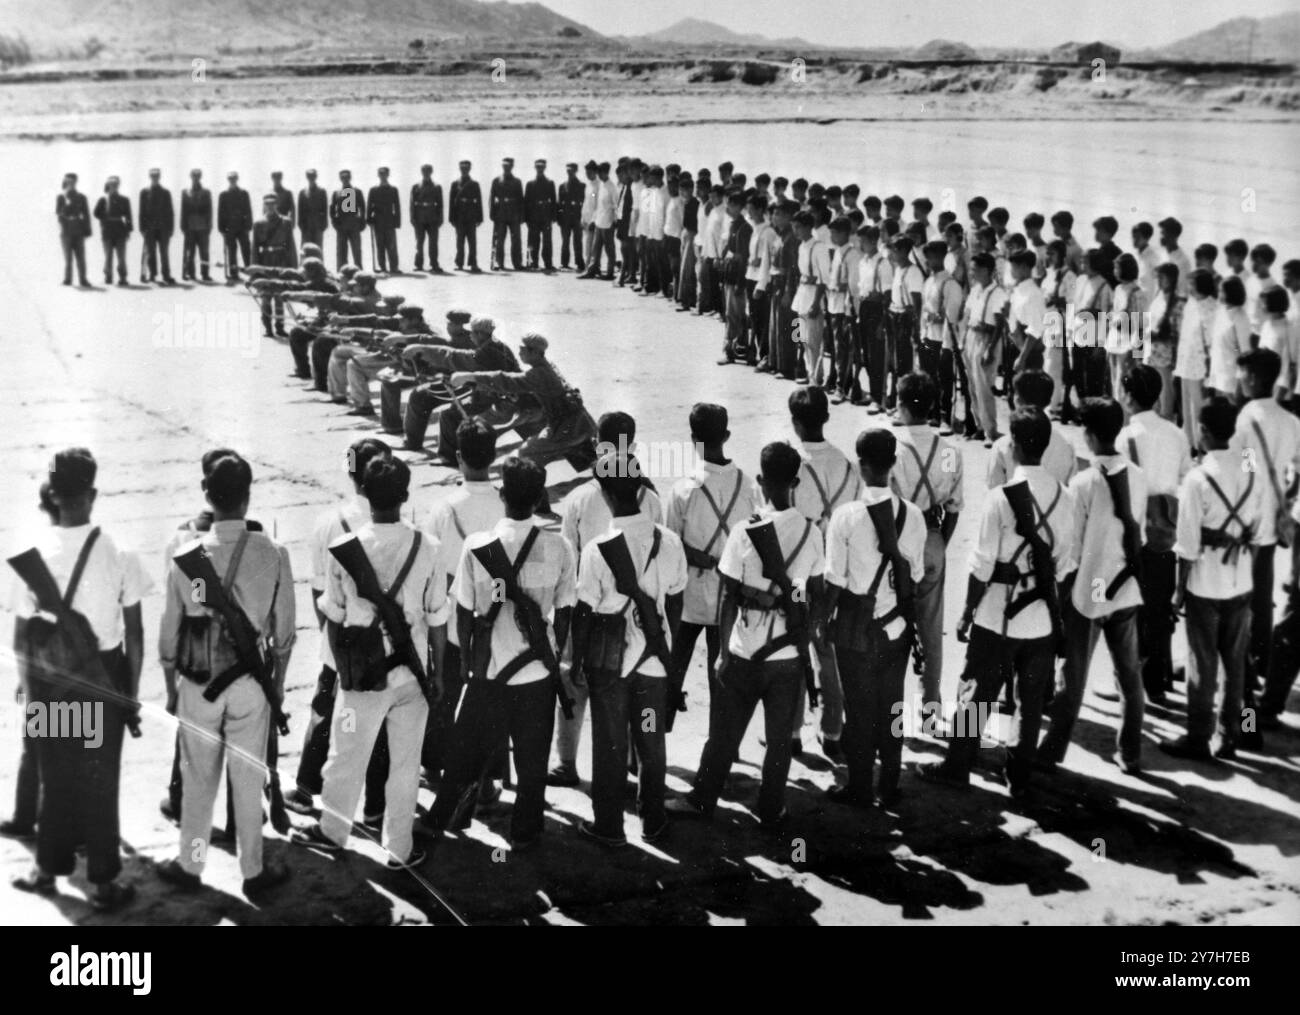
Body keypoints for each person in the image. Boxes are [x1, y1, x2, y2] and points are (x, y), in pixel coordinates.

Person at [7, 450, 148, 910]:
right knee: (100, 784)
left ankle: (47, 870)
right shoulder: (119, 552)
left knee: (55, 778)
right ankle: (104, 883)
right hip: (102, 678)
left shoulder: (36, 554)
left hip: (50, 685)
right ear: (92, 493)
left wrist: (31, 698)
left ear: (53, 494)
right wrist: (130, 692)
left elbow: (22, 639)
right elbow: (135, 633)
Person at [291, 457, 445, 869]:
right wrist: (438, 674)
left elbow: (332, 615)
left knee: (345, 758)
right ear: (406, 496)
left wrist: (344, 669)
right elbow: (437, 620)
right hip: (412, 677)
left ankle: (333, 831)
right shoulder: (427, 547)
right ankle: (400, 848)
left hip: (363, 677)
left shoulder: (345, 550)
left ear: (364, 493)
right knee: (405, 766)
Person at [156, 453, 294, 900]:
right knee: (247, 780)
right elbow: (284, 636)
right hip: (251, 687)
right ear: (248, 496)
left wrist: (170, 692)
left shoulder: (184, 556)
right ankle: (252, 871)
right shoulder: (273, 553)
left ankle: (190, 864)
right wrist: (276, 685)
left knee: (198, 781)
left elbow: (169, 637)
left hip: (197, 684)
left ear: (206, 495)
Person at [918, 408, 1075, 798]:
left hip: (997, 615)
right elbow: (1065, 563)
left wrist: (967, 613)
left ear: (1015, 448)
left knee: (976, 693)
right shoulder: (1065, 497)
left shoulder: (1000, 498)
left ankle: (958, 765)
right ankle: (1019, 774)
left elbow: (981, 566)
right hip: (1040, 619)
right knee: (1031, 700)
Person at [669, 442, 825, 831]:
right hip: (787, 653)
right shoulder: (811, 533)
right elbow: (814, 594)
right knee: (777, 742)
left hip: (744, 648)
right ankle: (771, 807)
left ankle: (703, 798)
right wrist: (795, 617)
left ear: (760, 481)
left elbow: (728, 598)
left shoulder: (744, 531)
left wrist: (722, 651)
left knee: (722, 736)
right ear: (796, 481)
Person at [424, 457, 576, 851]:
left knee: (464, 755)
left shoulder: (479, 546)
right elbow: (565, 610)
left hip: (488, 672)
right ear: (541, 496)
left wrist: (465, 659)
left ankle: (444, 819)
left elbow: (462, 609)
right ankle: (525, 833)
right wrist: (553, 652)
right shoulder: (557, 546)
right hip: (536, 674)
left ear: (503, 494)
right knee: (531, 761)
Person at [570, 457, 687, 847]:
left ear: (604, 494)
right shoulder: (668, 542)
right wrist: (661, 642)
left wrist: (580, 662)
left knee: (610, 743)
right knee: (651, 742)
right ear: (640, 489)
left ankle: (609, 825)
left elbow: (584, 612)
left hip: (610, 667)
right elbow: (674, 603)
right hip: (653, 667)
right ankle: (653, 821)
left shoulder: (596, 549)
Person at [549, 414, 663, 787]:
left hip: (590, 609)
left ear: (599, 444)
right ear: (631, 444)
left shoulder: (580, 498)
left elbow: (568, 559)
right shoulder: (650, 498)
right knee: (630, 683)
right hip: (637, 610)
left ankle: (567, 763)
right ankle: (632, 759)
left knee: (574, 680)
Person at [284, 438, 394, 823]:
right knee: (380, 722)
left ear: (352, 474)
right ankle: (377, 807)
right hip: (385, 643)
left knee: (326, 707)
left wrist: (330, 637)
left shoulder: (328, 522)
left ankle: (305, 788)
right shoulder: (397, 517)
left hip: (341, 637)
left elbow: (318, 589)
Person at [1038, 397, 1149, 773]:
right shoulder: (1137, 474)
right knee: (1130, 675)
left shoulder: (1082, 483)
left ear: (1088, 433)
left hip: (1090, 591)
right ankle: (1130, 753)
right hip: (1125, 587)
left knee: (1072, 678)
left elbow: (1072, 547)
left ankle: (1052, 751)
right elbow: (1140, 534)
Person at [821, 429, 925, 808]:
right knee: (893, 705)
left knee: (860, 709)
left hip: (855, 629)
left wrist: (820, 623)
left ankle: (861, 786)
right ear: (894, 463)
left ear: (861, 466)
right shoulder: (912, 515)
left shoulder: (845, 517)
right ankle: (890, 783)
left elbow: (835, 580)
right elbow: (914, 575)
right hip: (896, 625)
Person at [1161, 397, 1262, 761]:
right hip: (1242, 579)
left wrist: (1177, 594)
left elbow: (1186, 547)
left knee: (1201, 664)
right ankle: (1231, 735)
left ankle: (1198, 737)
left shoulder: (1197, 478)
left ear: (1203, 432)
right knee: (1235, 665)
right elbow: (1259, 524)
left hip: (1205, 583)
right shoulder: (1251, 467)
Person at [664, 404, 761, 742]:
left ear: (692, 439)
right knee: (722, 669)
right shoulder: (749, 486)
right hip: (729, 596)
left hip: (689, 594)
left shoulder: (683, 489)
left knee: (672, 665)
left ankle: (657, 735)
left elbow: (671, 545)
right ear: (728, 436)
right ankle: (721, 745)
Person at [421, 419, 506, 778]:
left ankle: (434, 766)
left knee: (445, 691)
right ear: (494, 456)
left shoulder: (445, 508)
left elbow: (429, 563)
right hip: (496, 617)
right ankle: (488, 775)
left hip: (453, 616)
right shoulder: (506, 503)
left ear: (459, 457)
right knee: (492, 699)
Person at [1231, 348, 1300, 751]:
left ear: (1254, 377)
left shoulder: (1248, 417)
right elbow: (1294, 472)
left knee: (1235, 636)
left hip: (1247, 527)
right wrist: (1284, 498)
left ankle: (1246, 722)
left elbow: (1246, 471)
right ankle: (1252, 712)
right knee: (1262, 605)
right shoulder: (1291, 421)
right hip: (1274, 524)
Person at [787, 388, 861, 759]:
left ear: (796, 422)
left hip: (801, 574)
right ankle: (833, 728)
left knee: (794, 642)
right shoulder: (847, 465)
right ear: (826, 418)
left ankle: (790, 729)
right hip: (837, 572)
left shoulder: (792, 466)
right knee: (827, 647)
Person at [1117, 364, 1194, 705]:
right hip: (1167, 530)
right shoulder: (1176, 433)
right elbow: (1185, 479)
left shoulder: (1125, 436)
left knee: (1130, 609)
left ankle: (1130, 678)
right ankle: (1159, 680)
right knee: (1160, 608)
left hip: (1134, 532)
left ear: (1129, 396)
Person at [891, 373, 963, 718]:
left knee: (891, 623)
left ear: (901, 406)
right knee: (931, 627)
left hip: (897, 541)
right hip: (933, 537)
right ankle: (930, 706)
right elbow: (954, 506)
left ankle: (892, 707)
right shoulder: (949, 451)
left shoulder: (890, 446)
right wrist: (940, 542)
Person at [448, 333, 598, 481]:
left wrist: (470, 377)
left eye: (522, 349)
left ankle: (531, 491)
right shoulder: (548, 366)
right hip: (579, 422)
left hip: (565, 427)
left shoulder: (539, 374)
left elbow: (507, 380)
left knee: (525, 455)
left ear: (534, 352)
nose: (519, 352)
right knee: (590, 456)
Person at [0, 482, 59, 843]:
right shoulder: (99, 552)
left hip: (42, 673)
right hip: (81, 675)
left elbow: (20, 637)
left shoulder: (32, 559)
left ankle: (25, 818)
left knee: (34, 749)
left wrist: (24, 681)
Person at [400, 313, 520, 454]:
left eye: (473, 332)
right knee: (427, 398)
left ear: (481, 334)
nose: (470, 335)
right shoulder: (497, 345)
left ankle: (450, 456)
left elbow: (457, 357)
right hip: (487, 391)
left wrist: (423, 350)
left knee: (449, 415)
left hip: (494, 399)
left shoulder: (486, 352)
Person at [987, 370, 1078, 487]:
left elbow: (994, 490)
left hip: (1013, 505)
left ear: (1018, 400)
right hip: (1057, 502)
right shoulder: (1067, 444)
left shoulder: (1002, 446)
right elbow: (1071, 489)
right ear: (1049, 402)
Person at [962, 252, 1008, 446]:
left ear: (986, 270)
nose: (972, 273)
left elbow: (999, 323)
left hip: (986, 338)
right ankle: (980, 427)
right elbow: (968, 315)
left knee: (983, 387)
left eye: (976, 269)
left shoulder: (998, 292)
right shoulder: (975, 290)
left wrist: (990, 347)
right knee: (972, 385)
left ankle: (991, 431)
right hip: (971, 337)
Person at [919, 240, 965, 432]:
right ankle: (933, 413)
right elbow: (924, 309)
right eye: (927, 257)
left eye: (932, 257)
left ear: (941, 257)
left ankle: (946, 417)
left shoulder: (950, 283)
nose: (928, 261)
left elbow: (952, 316)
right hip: (929, 336)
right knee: (930, 377)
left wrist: (939, 318)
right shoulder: (929, 281)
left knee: (945, 379)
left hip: (944, 339)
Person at [1177, 268, 1217, 448]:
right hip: (1185, 361)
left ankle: (1202, 446)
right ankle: (1190, 445)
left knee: (1198, 408)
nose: (1188, 287)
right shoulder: (1191, 304)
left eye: (1192, 284)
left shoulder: (1212, 307)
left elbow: (1211, 340)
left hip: (1200, 366)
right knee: (1186, 407)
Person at [791, 210, 830, 385]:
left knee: (814, 341)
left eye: (798, 227)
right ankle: (809, 373)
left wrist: (816, 303)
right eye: (794, 227)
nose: (796, 231)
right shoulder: (801, 246)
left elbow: (824, 278)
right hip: (802, 296)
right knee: (802, 338)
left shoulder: (819, 246)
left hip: (814, 297)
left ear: (808, 227)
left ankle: (816, 377)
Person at [1144, 262, 1182, 420]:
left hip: (1165, 354)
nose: (1159, 281)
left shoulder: (1178, 302)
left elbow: (1177, 332)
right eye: (1158, 277)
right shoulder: (1157, 298)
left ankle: (1167, 421)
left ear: (1172, 279)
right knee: (1152, 391)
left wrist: (1160, 335)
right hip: (1151, 351)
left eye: (1163, 277)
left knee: (1166, 391)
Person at [1209, 275, 1252, 399]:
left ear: (1231, 292)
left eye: (1222, 291)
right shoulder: (1221, 312)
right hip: (1218, 374)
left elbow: (1245, 352)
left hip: (1232, 378)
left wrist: (1240, 382)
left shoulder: (1240, 317)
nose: (1219, 293)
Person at [93, 175, 132, 287]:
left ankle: (123, 277)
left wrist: (128, 231)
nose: (114, 187)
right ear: (108, 186)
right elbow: (95, 213)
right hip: (107, 231)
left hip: (120, 230)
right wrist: (104, 218)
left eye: (116, 185)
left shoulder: (124, 200)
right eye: (112, 185)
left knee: (121, 257)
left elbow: (128, 216)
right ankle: (108, 276)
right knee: (108, 255)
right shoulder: (103, 199)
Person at [139, 167, 176, 285]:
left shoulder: (166, 193)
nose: (154, 178)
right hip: (149, 228)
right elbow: (141, 212)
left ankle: (166, 275)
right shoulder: (144, 192)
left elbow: (170, 212)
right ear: (150, 177)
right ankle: (152, 274)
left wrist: (171, 229)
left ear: (159, 177)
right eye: (152, 176)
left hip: (163, 228)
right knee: (151, 252)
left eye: (156, 176)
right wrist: (141, 228)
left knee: (164, 252)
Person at [56, 172, 92, 287]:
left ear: (76, 182)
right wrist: (66, 206)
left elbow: (86, 214)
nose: (71, 184)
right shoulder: (61, 197)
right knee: (68, 257)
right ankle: (68, 279)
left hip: (78, 229)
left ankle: (83, 279)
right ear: (66, 182)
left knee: (81, 257)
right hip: (66, 230)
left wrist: (87, 230)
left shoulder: (81, 197)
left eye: (73, 182)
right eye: (69, 182)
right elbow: (58, 213)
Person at [522, 158, 557, 272]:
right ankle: (533, 262)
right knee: (533, 240)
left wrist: (553, 217)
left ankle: (548, 263)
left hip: (546, 215)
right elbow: (526, 202)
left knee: (547, 241)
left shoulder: (550, 183)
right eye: (538, 167)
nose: (540, 169)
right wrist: (526, 218)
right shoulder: (530, 184)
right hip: (533, 216)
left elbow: (553, 201)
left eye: (542, 167)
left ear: (545, 168)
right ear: (535, 168)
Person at [490, 157, 524, 271]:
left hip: (514, 213)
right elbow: (492, 198)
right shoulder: (496, 180)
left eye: (508, 166)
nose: (506, 168)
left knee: (516, 240)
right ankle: (499, 263)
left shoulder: (517, 182)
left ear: (512, 167)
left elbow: (521, 200)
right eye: (504, 166)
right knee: (499, 239)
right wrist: (492, 214)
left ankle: (517, 263)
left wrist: (521, 215)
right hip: (500, 213)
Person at [449, 160, 483, 273]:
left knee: (472, 241)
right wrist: (451, 218)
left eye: (466, 168)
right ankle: (459, 264)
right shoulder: (455, 184)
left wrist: (480, 217)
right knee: (460, 241)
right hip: (459, 215)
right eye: (462, 168)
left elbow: (479, 201)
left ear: (469, 169)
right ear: (460, 169)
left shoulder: (474, 184)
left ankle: (473, 264)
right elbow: (451, 202)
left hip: (471, 215)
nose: (464, 170)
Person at [409, 163, 444, 273]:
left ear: (431, 172)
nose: (426, 173)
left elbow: (440, 204)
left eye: (428, 171)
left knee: (433, 243)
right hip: (419, 218)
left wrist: (440, 218)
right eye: (424, 171)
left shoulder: (436, 186)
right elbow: (412, 204)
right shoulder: (416, 186)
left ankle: (434, 264)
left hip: (432, 218)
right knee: (419, 242)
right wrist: (412, 217)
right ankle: (419, 264)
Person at [179, 168, 213, 282]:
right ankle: (190, 273)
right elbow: (183, 210)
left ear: (200, 177)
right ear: (191, 177)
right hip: (190, 226)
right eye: (194, 176)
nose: (196, 178)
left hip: (203, 226)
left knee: (204, 252)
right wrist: (183, 226)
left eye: (198, 176)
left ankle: (205, 273)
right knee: (190, 251)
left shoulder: (206, 192)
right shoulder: (185, 192)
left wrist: (209, 226)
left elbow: (209, 210)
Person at [330, 169, 366, 271]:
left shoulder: (357, 191)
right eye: (343, 177)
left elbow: (362, 207)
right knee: (341, 250)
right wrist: (334, 222)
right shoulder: (336, 192)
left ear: (350, 178)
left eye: (347, 177)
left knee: (356, 249)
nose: (345, 179)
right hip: (341, 225)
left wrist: (362, 222)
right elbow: (332, 209)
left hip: (354, 224)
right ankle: (342, 271)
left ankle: (358, 270)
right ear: (340, 179)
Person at [367, 167, 401, 274]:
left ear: (388, 175)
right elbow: (369, 206)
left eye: (385, 174)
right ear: (378, 175)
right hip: (378, 221)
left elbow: (397, 206)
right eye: (381, 174)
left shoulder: (393, 190)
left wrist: (397, 222)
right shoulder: (373, 190)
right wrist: (369, 219)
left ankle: (394, 267)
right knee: (380, 245)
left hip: (390, 221)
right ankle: (382, 267)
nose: (383, 176)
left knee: (392, 246)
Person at [557, 161, 585, 273]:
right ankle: (564, 263)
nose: (569, 173)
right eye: (568, 171)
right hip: (565, 217)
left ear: (576, 171)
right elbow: (559, 204)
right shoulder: (562, 186)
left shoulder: (582, 186)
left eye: (571, 171)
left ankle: (580, 263)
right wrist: (558, 218)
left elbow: (586, 201)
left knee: (578, 241)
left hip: (577, 216)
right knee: (565, 241)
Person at [1158, 217, 1193, 299]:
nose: (1161, 236)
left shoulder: (1182, 261)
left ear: (1173, 236)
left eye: (1164, 233)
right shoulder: (1163, 255)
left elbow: (1182, 292)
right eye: (1161, 233)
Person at [298, 168, 329, 250]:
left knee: (318, 249)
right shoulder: (302, 192)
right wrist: (301, 226)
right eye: (309, 176)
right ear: (307, 177)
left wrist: (323, 225)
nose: (311, 178)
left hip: (318, 226)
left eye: (313, 176)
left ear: (316, 177)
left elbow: (325, 210)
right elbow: (300, 211)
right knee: (306, 249)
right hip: (306, 226)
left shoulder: (322, 191)